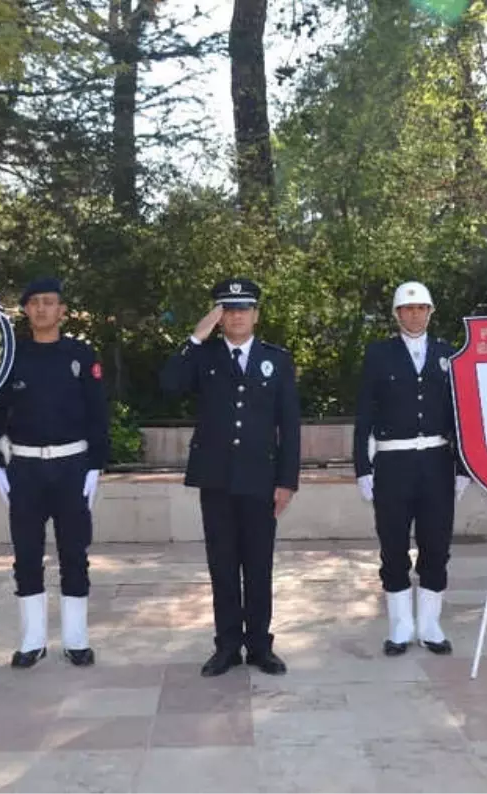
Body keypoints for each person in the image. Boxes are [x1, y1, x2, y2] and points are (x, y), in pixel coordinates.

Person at [160, 278, 300, 677]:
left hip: (261, 479)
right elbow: (169, 384)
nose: (237, 315)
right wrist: (195, 335)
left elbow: (289, 425)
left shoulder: (278, 359)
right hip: (216, 479)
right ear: (219, 316)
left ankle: (259, 645)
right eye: (228, 309)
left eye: (243, 308)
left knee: (258, 566)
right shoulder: (203, 357)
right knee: (222, 565)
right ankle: (226, 646)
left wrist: (286, 480)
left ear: (256, 314)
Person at [0, 278, 109, 668]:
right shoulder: (10, 358)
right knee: (26, 554)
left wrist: (95, 466)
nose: (41, 309)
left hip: (72, 467)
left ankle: (76, 639)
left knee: (74, 552)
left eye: (49, 302)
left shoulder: (81, 354)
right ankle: (31, 640)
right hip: (25, 468)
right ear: (25, 310)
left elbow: (97, 415)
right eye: (34, 302)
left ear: (62, 311)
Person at [353, 281, 469, 656]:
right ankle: (401, 627)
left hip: (437, 462)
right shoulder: (378, 355)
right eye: (408, 308)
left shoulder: (449, 354)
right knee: (393, 546)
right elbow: (365, 412)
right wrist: (362, 467)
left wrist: (463, 468)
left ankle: (430, 626)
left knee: (436, 545)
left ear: (430, 312)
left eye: (421, 308)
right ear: (397, 314)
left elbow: (461, 415)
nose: (415, 314)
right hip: (393, 463)